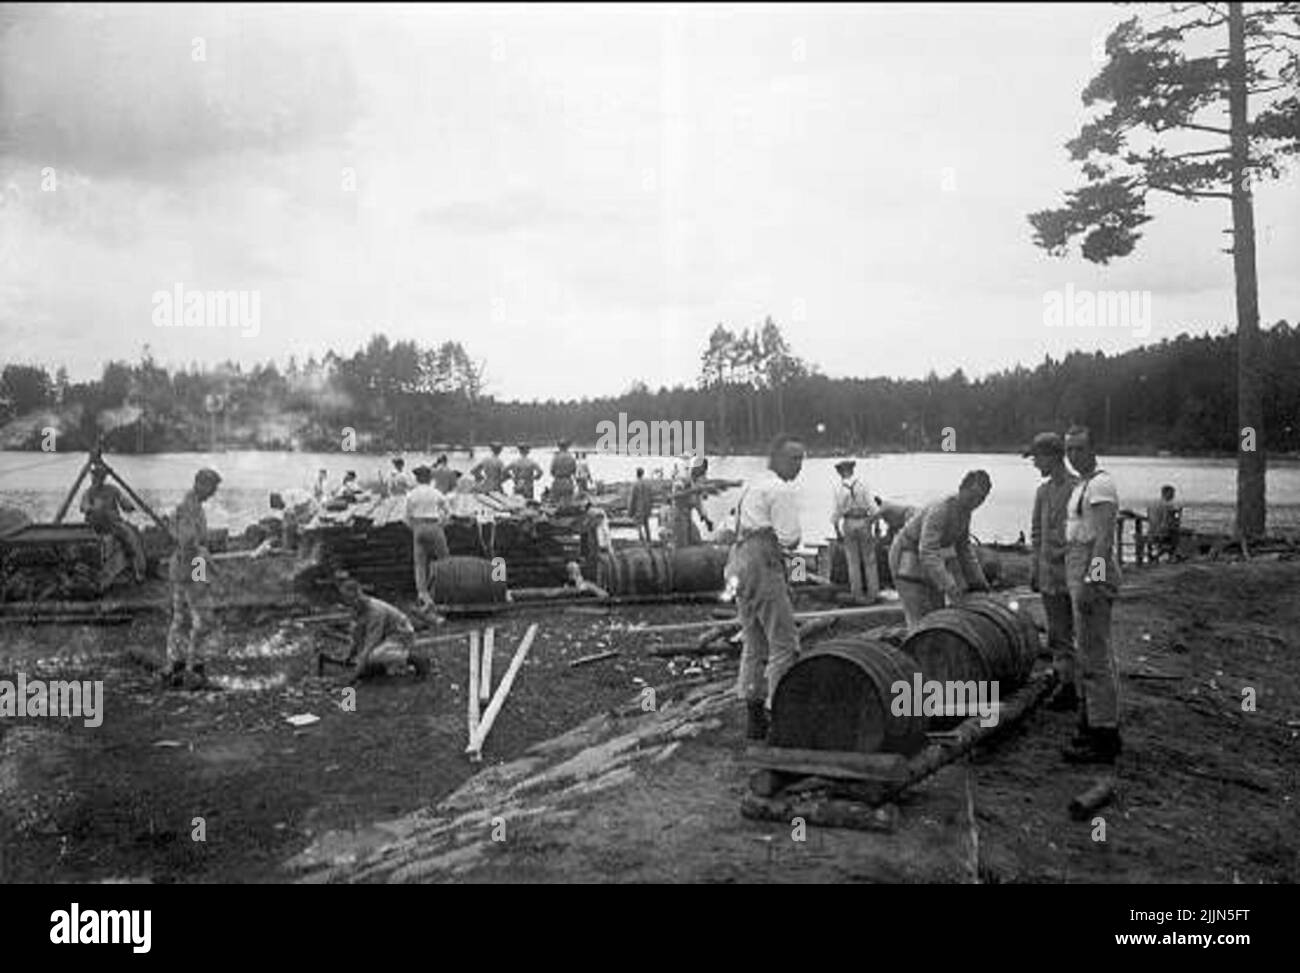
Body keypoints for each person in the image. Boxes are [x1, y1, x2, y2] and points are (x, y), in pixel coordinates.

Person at [729, 434, 805, 741]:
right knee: (785, 644)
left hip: (738, 561)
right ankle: (780, 715)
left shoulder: (753, 485)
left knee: (754, 642)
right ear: (775, 459)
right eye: (793, 459)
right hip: (761, 561)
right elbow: (790, 539)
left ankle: (754, 716)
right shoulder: (780, 490)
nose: (798, 465)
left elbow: (728, 527)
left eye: (802, 459)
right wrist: (788, 573)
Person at [1062, 426, 1123, 764]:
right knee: (1088, 651)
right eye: (1069, 449)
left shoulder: (1100, 485)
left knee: (1095, 656)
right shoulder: (1083, 485)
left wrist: (1091, 580)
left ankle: (1104, 736)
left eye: (1079, 449)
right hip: (1077, 565)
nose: (1073, 455)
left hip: (1090, 570)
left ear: (1093, 449)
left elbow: (1103, 540)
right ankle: (1093, 723)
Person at [889, 470, 992, 632]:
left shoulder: (965, 513)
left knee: (937, 612)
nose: (976, 502)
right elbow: (927, 551)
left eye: (981, 499)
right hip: (907, 555)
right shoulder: (941, 509)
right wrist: (949, 585)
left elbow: (964, 549)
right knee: (918, 617)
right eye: (972, 496)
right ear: (961, 489)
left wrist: (980, 583)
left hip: (928, 557)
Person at [1025, 432, 1080, 712]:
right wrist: (1035, 567)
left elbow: (1084, 533)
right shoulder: (1042, 492)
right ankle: (1065, 682)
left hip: (1073, 574)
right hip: (1049, 577)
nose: (1035, 463)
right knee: (1058, 634)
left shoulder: (1077, 488)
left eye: (1037, 457)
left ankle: (1074, 686)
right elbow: (1036, 533)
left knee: (1078, 631)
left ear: (1054, 456)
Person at [166, 467, 223, 690]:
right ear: (201, 484)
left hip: (185, 566)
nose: (213, 493)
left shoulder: (192, 505)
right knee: (204, 618)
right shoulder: (189, 507)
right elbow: (188, 542)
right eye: (212, 488)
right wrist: (206, 563)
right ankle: (195, 666)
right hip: (190, 565)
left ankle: (177, 664)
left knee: (182, 618)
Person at [336, 577, 430, 680]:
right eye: (345, 599)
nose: (347, 602)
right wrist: (350, 655)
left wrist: (356, 672)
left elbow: (371, 642)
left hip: (401, 635)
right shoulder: (357, 610)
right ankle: (380, 667)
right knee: (365, 656)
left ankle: (416, 659)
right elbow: (357, 634)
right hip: (385, 636)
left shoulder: (375, 611)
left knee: (372, 656)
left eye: (349, 599)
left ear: (357, 596)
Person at [80, 464, 147, 582]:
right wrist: (90, 508)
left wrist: (128, 505)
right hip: (95, 524)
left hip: (113, 523)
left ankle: (137, 570)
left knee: (130, 537)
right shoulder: (89, 492)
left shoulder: (112, 490)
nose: (95, 479)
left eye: (98, 477)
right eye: (94, 477)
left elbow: (123, 501)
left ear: (103, 478)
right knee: (124, 534)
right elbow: (84, 506)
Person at [831, 459, 880, 603]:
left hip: (848, 522)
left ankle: (857, 594)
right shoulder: (863, 484)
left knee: (852, 561)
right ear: (852, 470)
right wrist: (876, 525)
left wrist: (837, 532)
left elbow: (836, 512)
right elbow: (873, 506)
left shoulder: (837, 488)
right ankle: (873, 593)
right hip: (864, 521)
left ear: (840, 472)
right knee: (869, 560)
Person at [405, 465, 451, 607]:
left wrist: (414, 528)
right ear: (430, 478)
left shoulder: (411, 494)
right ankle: (446, 588)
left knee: (420, 563)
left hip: (419, 526)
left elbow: (406, 517)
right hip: (433, 525)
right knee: (444, 559)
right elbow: (448, 511)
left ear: (417, 478)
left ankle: (422, 594)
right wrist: (442, 524)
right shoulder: (435, 493)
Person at [669, 455, 713, 548]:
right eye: (702, 472)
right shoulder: (684, 475)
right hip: (678, 515)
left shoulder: (696, 481)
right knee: (683, 541)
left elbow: (698, 503)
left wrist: (705, 519)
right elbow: (678, 488)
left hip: (687, 516)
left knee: (696, 539)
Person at [1146, 484, 1183, 563]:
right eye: (1172, 494)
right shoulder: (1168, 505)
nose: (1173, 496)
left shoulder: (1151, 504)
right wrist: (1178, 516)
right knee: (1179, 534)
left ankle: (1157, 555)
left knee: (1172, 533)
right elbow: (1171, 521)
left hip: (1151, 532)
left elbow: (1149, 518)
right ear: (1167, 493)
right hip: (1162, 533)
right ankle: (1173, 555)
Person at [628, 467, 654, 543]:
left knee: (638, 524)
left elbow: (632, 498)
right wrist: (650, 507)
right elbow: (651, 496)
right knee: (646, 523)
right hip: (646, 506)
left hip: (639, 507)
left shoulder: (635, 484)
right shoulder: (647, 484)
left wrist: (630, 511)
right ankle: (649, 539)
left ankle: (642, 539)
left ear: (637, 474)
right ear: (643, 473)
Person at [550, 440, 578, 504]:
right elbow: (574, 470)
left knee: (556, 503)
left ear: (559, 447)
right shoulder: (571, 457)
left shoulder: (555, 458)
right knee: (568, 502)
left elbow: (552, 471)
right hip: (567, 481)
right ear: (567, 447)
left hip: (558, 481)